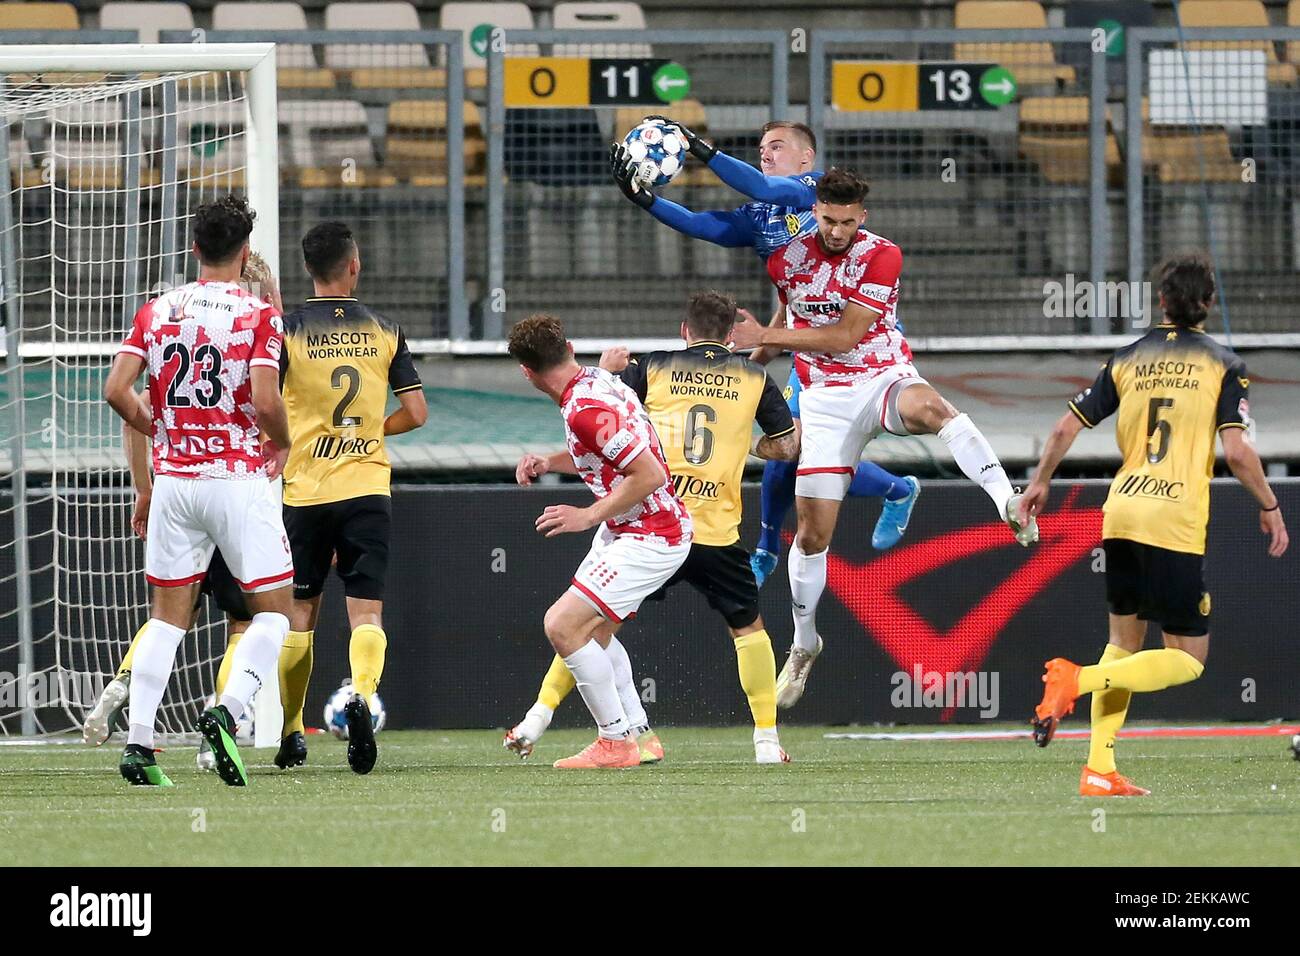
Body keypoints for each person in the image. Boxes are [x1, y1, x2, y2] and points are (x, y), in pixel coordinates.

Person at [729, 168, 1036, 710]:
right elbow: (787, 318)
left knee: (935, 408)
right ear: (815, 211)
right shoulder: (785, 259)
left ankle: (1005, 500)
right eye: (829, 219)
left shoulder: (882, 255)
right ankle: (804, 645)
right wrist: (746, 375)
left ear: (862, 217)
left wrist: (766, 335)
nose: (839, 230)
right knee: (811, 538)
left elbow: (846, 334)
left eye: (848, 221)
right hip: (823, 399)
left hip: (881, 378)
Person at [611, 118, 918, 587]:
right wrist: (644, 199)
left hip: (855, 343)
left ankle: (895, 489)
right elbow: (699, 225)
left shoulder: (813, 191)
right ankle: (769, 546)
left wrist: (699, 148)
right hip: (805, 343)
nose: (765, 155)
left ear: (806, 159)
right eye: (760, 148)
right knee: (788, 449)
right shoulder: (760, 217)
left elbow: (761, 184)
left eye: (776, 147)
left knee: (803, 448)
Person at [1024, 253, 1288, 796]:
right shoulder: (1224, 363)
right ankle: (1078, 680)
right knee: (1188, 661)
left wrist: (1040, 482)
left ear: (1161, 302)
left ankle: (1099, 768)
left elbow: (1062, 430)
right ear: (1209, 304)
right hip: (1173, 517)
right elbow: (1237, 452)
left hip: (1121, 510)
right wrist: (1269, 504)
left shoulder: (1125, 358)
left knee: (1123, 642)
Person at [504, 291, 799, 764]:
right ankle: (761, 740)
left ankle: (604, 736)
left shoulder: (652, 370)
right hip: (710, 525)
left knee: (577, 627)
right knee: (746, 629)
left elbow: (642, 464)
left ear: (685, 331)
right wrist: (741, 444)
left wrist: (587, 514)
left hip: (652, 526)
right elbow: (787, 448)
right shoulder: (752, 376)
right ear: (730, 335)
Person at [102, 196, 294, 787]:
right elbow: (265, 400)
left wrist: (155, 425)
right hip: (236, 479)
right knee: (276, 614)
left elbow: (115, 389)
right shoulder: (260, 314)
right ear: (244, 252)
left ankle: (138, 746)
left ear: (194, 248)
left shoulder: (157, 310)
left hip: (175, 484)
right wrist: (281, 443)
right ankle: (226, 712)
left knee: (166, 619)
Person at [508, 314, 692, 769]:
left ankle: (615, 741)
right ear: (569, 346)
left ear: (526, 373)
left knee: (562, 626)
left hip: (651, 533)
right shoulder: (594, 381)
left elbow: (649, 473)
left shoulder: (583, 408)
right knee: (598, 633)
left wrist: (587, 515)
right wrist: (550, 462)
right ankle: (640, 734)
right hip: (634, 528)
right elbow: (603, 450)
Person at [277, 221, 428, 774]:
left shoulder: (286, 331)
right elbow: (416, 413)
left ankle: (292, 731)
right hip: (366, 486)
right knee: (367, 611)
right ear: (354, 266)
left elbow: (264, 402)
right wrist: (368, 430)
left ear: (309, 271)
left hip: (306, 489)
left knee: (299, 613)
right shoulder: (385, 329)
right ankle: (361, 694)